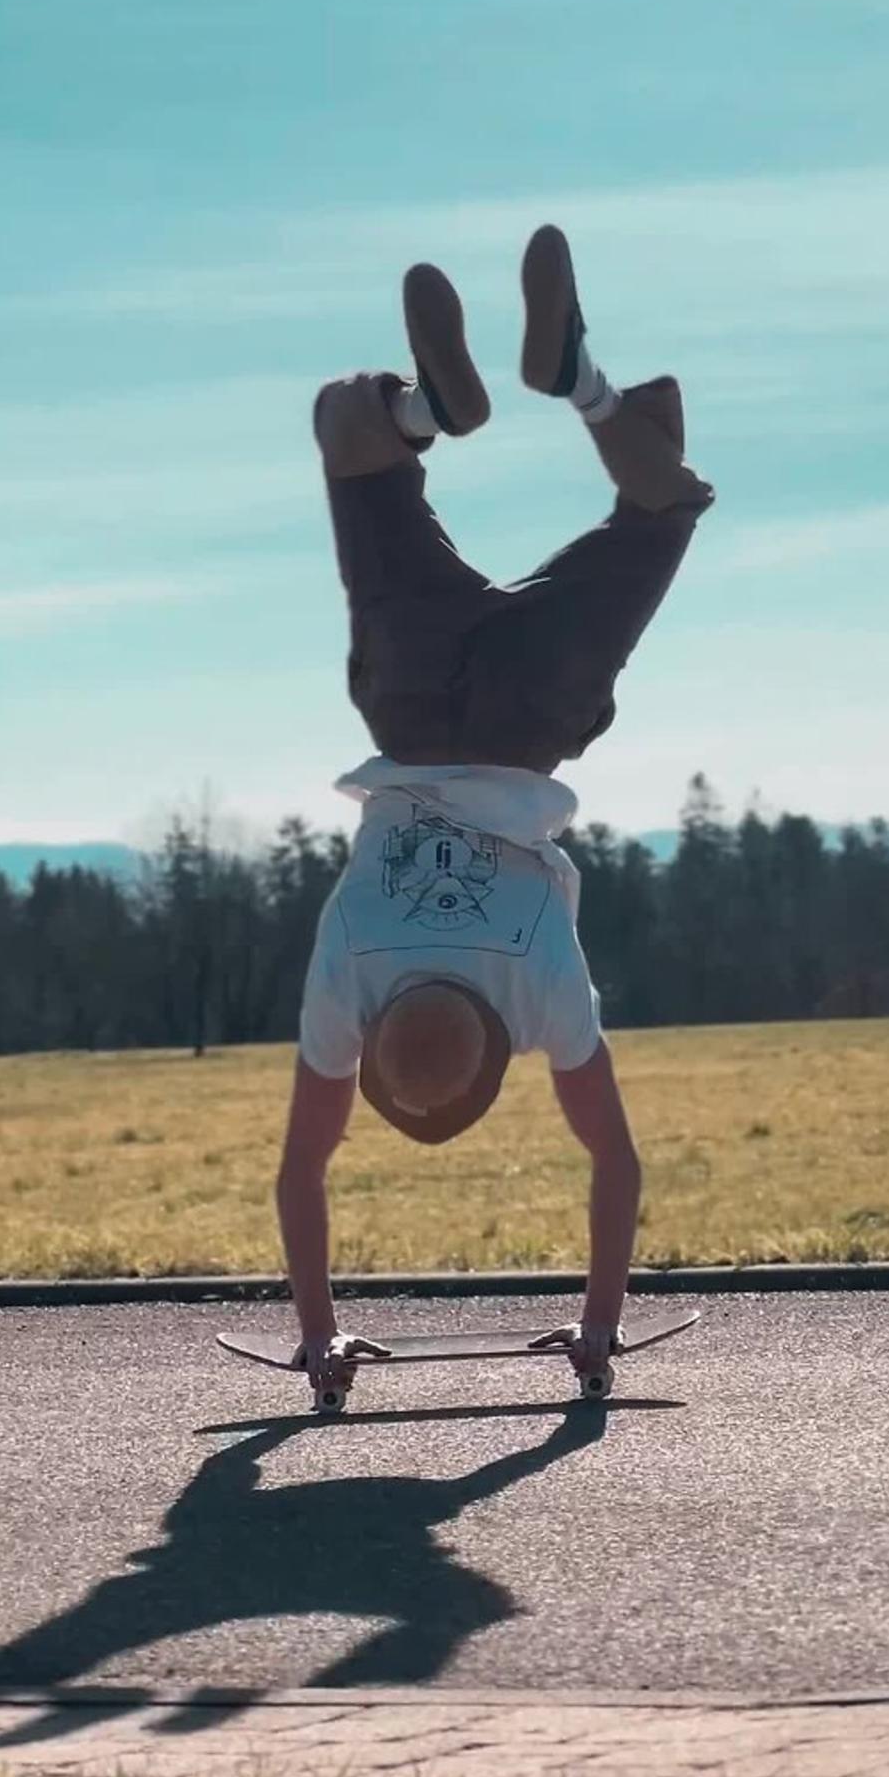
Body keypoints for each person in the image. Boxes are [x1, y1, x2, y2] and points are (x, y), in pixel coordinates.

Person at [276, 226, 715, 1400]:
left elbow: (612, 1162)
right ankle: (424, 410)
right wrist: (315, 1332)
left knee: (665, 492)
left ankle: (580, 379)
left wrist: (597, 1328)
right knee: (345, 426)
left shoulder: (536, 977)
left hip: (530, 710)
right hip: (410, 699)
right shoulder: (348, 971)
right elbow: (299, 1172)